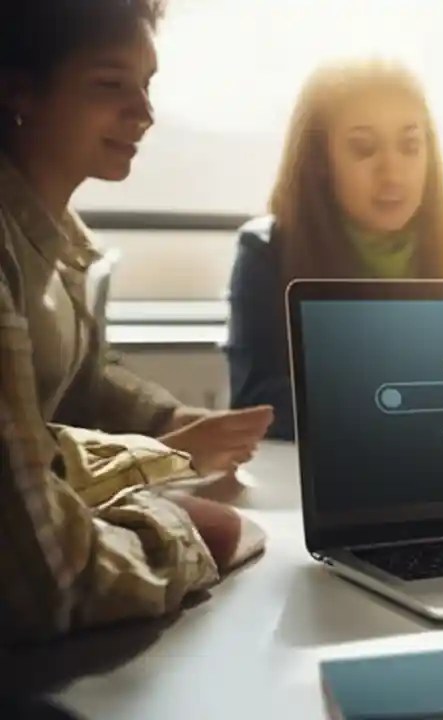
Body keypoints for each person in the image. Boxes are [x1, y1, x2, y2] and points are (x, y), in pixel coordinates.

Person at [0, 0, 272, 644]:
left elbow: (80, 374)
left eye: (146, 85)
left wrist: (168, 425)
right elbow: (53, 578)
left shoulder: (54, 236)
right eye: (110, 85)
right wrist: (199, 533)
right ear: (20, 91)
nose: (144, 114)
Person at [225, 58, 443, 441]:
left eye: (410, 146)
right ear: (319, 161)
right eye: (364, 149)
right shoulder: (266, 251)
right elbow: (258, 404)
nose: (392, 172)